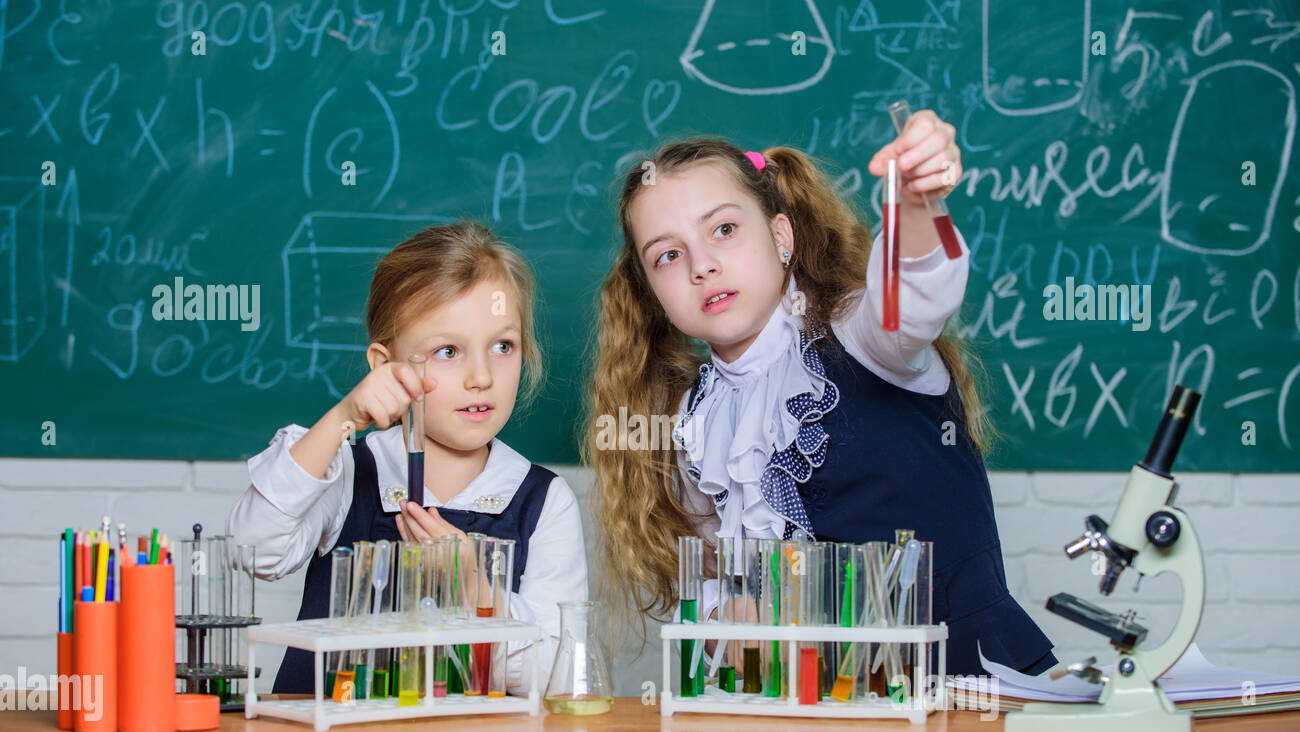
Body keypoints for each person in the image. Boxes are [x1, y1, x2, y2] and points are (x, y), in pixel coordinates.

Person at [583, 119, 1056, 676]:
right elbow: (715, 575)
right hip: (821, 712)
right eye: (667, 256)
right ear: (652, 293)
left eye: (725, 229)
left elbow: (916, 296)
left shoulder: (862, 333)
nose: (701, 265)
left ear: (781, 237)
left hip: (970, 687)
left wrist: (915, 208)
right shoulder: (694, 421)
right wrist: (725, 617)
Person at [229, 221, 587, 693]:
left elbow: (560, 678)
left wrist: (475, 587)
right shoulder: (349, 472)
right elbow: (252, 548)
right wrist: (343, 417)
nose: (481, 375)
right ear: (385, 367)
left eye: (503, 346)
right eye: (447, 350)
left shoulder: (542, 501)